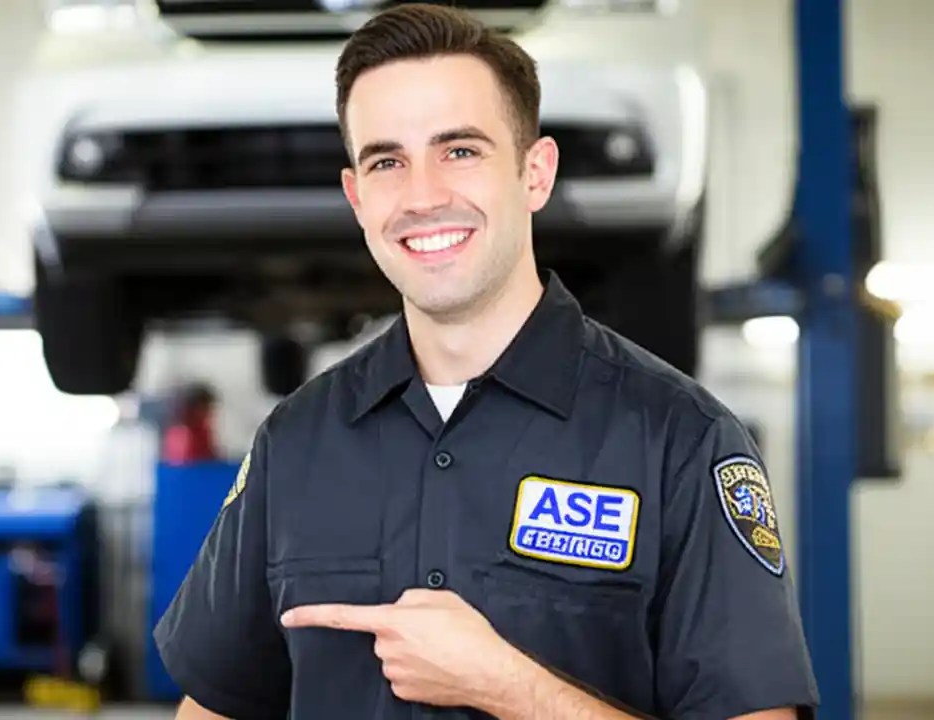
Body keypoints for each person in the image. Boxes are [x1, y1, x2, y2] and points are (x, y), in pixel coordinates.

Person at [153, 4, 819, 718]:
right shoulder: (297, 442)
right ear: (356, 196)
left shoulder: (681, 441)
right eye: (387, 162)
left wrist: (506, 686)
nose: (423, 196)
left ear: (536, 174)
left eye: (460, 151)